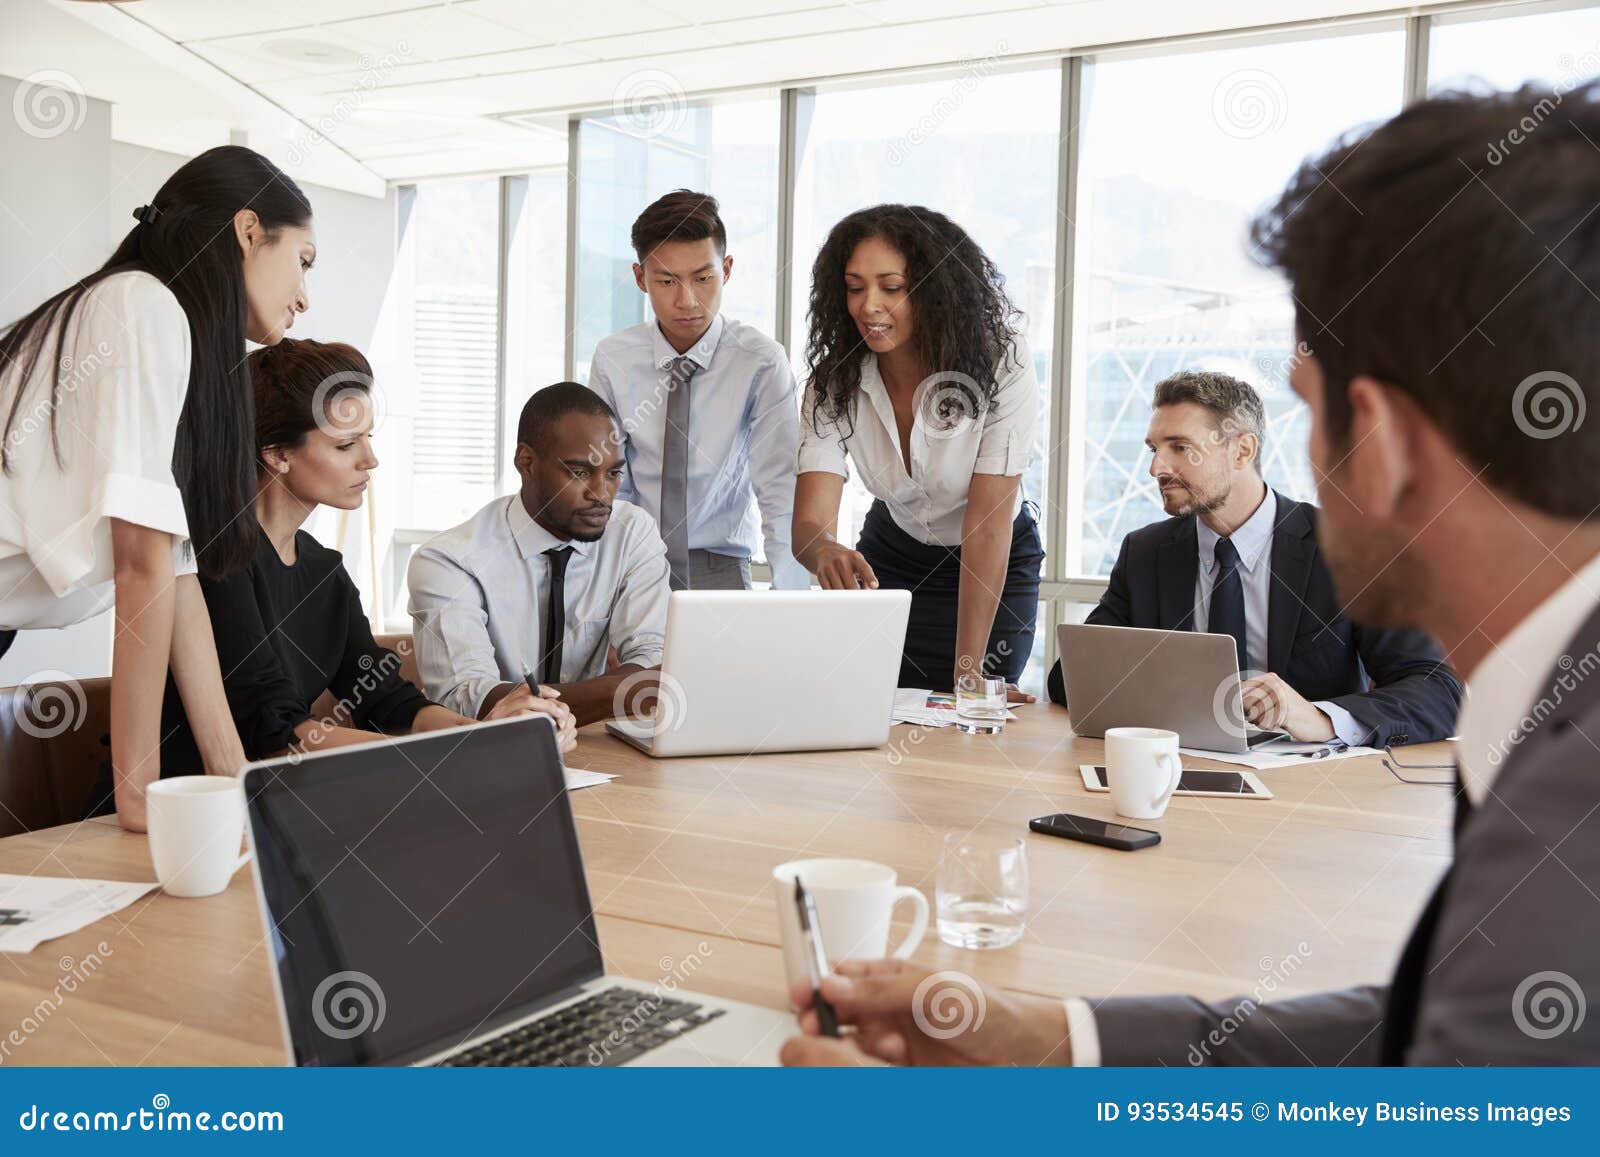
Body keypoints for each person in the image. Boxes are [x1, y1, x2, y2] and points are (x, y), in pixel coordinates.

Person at [784, 82, 1600, 1066]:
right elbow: (1440, 1028)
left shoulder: (1570, 788)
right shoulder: (1552, 708)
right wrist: (1058, 1044)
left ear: (1376, 443)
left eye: (1306, 410)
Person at [0, 145, 313, 832]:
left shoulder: (164, 324)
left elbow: (175, 572)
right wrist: (140, 796)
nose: (304, 295)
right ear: (249, 231)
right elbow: (142, 565)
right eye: (304, 259)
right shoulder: (141, 306)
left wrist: (236, 775)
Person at [122, 341, 570, 793]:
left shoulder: (322, 570)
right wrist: (458, 748)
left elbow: (386, 699)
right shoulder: (219, 559)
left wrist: (484, 729)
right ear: (277, 453)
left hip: (263, 804)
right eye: (345, 444)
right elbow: (273, 736)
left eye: (368, 438)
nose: (369, 459)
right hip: (177, 816)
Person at [1045, 371, 1461, 745]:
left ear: (1242, 451)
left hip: (1309, 792)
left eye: (1179, 448)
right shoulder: (1146, 552)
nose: (1156, 468)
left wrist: (1319, 716)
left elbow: (1436, 690)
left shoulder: (1351, 548)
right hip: (1179, 770)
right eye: (1154, 448)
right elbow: (1072, 679)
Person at [792, 205, 1044, 697]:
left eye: (892, 287)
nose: (869, 305)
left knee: (974, 714)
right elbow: (808, 523)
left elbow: (987, 522)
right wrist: (823, 550)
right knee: (877, 704)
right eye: (855, 286)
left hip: (993, 563)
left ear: (933, 289)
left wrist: (969, 669)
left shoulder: (1001, 361)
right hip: (893, 557)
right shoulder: (832, 383)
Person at [408, 383, 670, 728]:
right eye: (579, 473)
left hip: (596, 746)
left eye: (613, 473)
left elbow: (653, 655)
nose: (602, 494)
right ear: (526, 462)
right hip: (492, 758)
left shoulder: (631, 532)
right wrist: (622, 690)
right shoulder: (448, 560)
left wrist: (635, 685)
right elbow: (468, 697)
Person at [587, 190, 807, 592]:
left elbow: (779, 487)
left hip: (721, 567)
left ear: (726, 269)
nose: (686, 301)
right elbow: (610, 482)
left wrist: (790, 600)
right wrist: (604, 586)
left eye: (703, 278)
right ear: (640, 278)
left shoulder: (759, 361)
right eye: (666, 281)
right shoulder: (613, 359)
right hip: (632, 564)